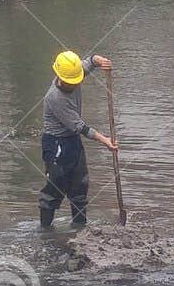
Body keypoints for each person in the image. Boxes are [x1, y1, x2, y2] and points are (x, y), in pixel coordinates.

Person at [39, 50, 117, 227]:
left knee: (80, 188)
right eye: (69, 83)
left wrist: (99, 61)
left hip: (73, 141)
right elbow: (80, 126)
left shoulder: (75, 70)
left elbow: (90, 61)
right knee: (54, 189)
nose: (73, 85)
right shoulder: (55, 98)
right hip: (56, 143)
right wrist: (105, 140)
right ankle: (45, 231)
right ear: (59, 76)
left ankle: (80, 229)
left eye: (75, 81)